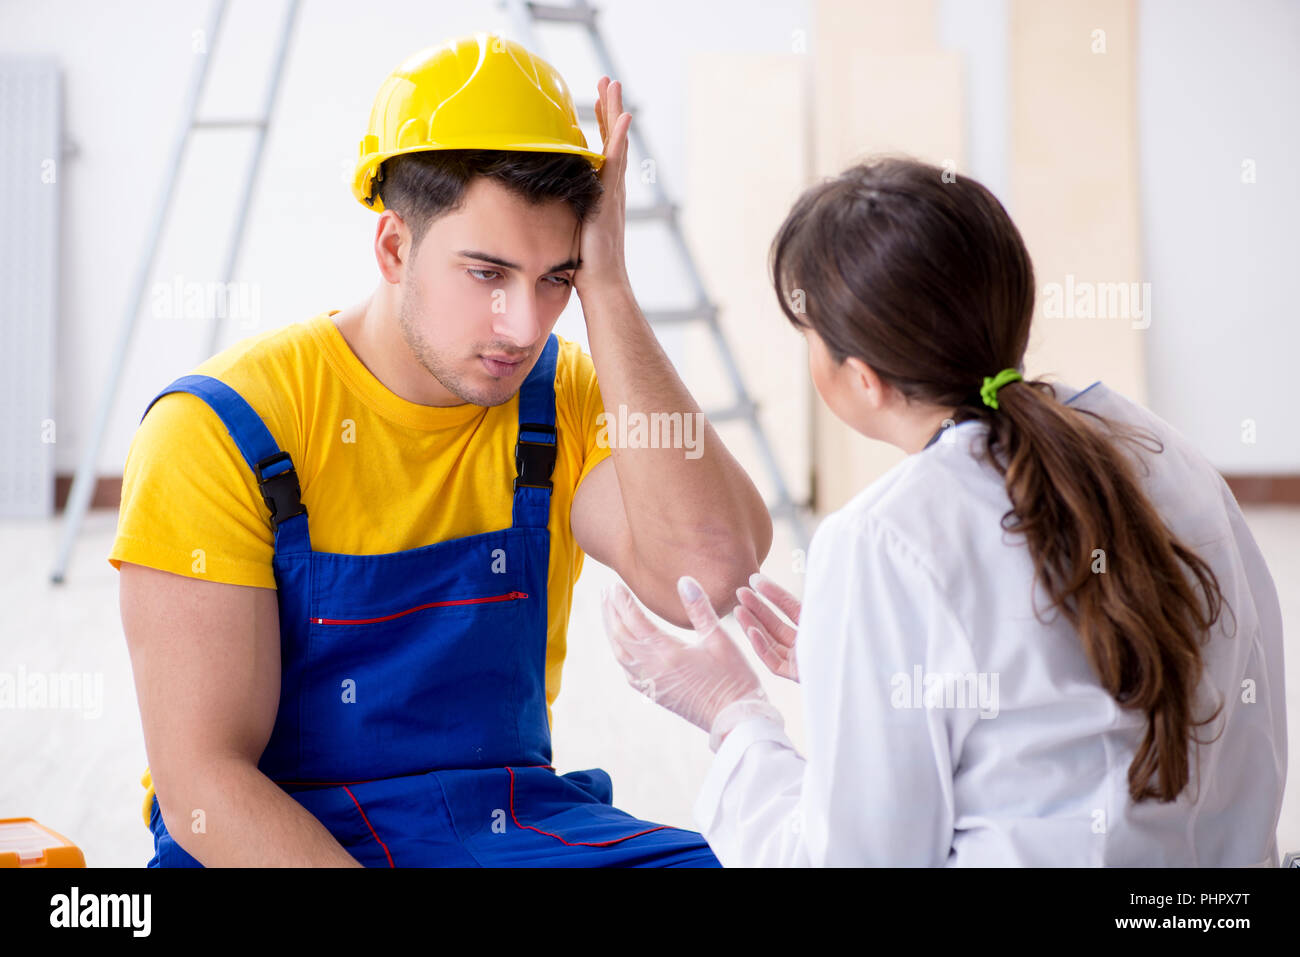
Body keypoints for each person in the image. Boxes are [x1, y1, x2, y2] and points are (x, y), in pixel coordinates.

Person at [111, 32, 771, 867]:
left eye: (554, 278)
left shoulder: (559, 398)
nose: (524, 327)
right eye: (488, 274)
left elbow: (709, 574)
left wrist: (607, 285)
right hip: (280, 841)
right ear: (393, 247)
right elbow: (205, 785)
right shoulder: (224, 430)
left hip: (510, 826)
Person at [601, 156, 1288, 867]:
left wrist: (735, 714)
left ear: (860, 378)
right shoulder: (1161, 448)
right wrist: (881, 671)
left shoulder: (882, 539)